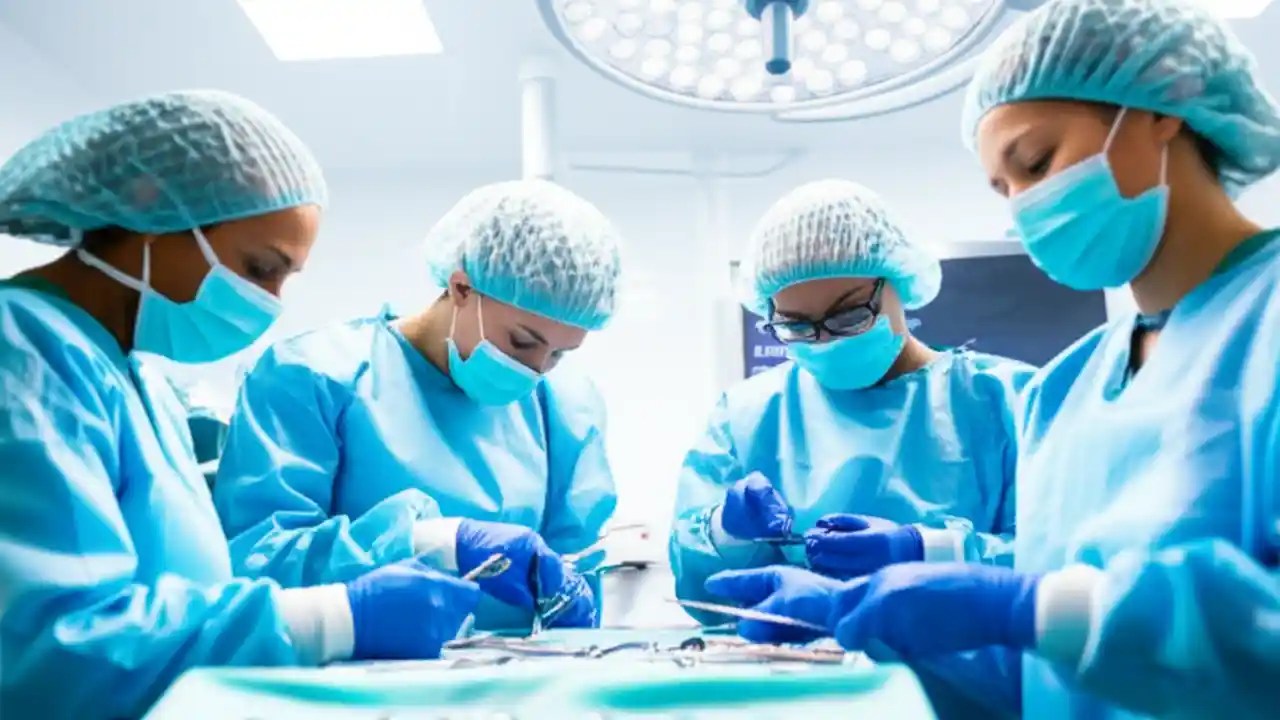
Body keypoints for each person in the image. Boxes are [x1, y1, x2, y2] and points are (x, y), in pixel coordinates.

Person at [705, 0, 1280, 717]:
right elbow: (1044, 666)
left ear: (1161, 106)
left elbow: (1060, 615)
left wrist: (1025, 607)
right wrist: (855, 613)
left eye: (1036, 162)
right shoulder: (1067, 387)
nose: (1025, 208)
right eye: (1004, 189)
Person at [0, 91, 481, 720]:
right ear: (148, 207)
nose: (272, 301)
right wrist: (331, 618)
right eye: (259, 268)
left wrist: (422, 546)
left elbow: (197, 581)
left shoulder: (140, 379)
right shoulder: (23, 352)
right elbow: (47, 651)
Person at [214, 179, 622, 632]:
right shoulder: (312, 376)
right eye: (522, 341)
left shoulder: (564, 405)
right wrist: (429, 543)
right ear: (462, 287)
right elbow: (260, 558)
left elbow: (576, 572)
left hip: (514, 671)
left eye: (559, 354)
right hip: (347, 668)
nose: (536, 369)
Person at [670, 179, 1035, 621]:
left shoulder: (1007, 401)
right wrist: (725, 533)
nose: (825, 341)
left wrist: (928, 550)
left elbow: (1065, 566)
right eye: (796, 326)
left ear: (900, 281)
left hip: (967, 662)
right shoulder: (747, 415)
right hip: (792, 660)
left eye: (848, 316)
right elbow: (704, 596)